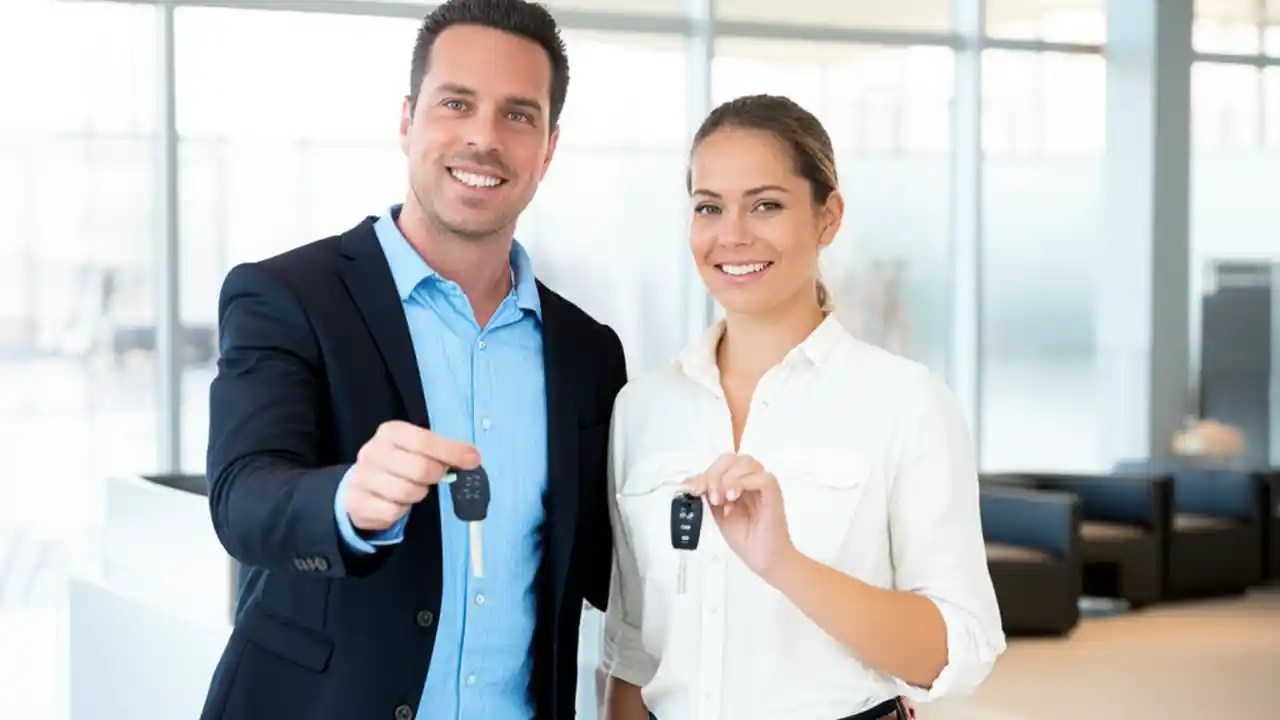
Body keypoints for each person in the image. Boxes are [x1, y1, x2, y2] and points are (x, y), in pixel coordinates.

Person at [199, 2, 627, 719]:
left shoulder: (587, 352)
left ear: (548, 148)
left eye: (518, 116)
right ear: (407, 120)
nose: (484, 138)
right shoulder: (287, 296)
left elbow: (606, 563)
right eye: (456, 103)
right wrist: (346, 500)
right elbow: (242, 498)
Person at [599, 95, 1006, 720]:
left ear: (827, 218)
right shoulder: (642, 409)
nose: (732, 234)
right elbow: (633, 650)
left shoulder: (905, 402)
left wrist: (783, 563)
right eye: (710, 207)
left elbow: (957, 649)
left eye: (765, 205)